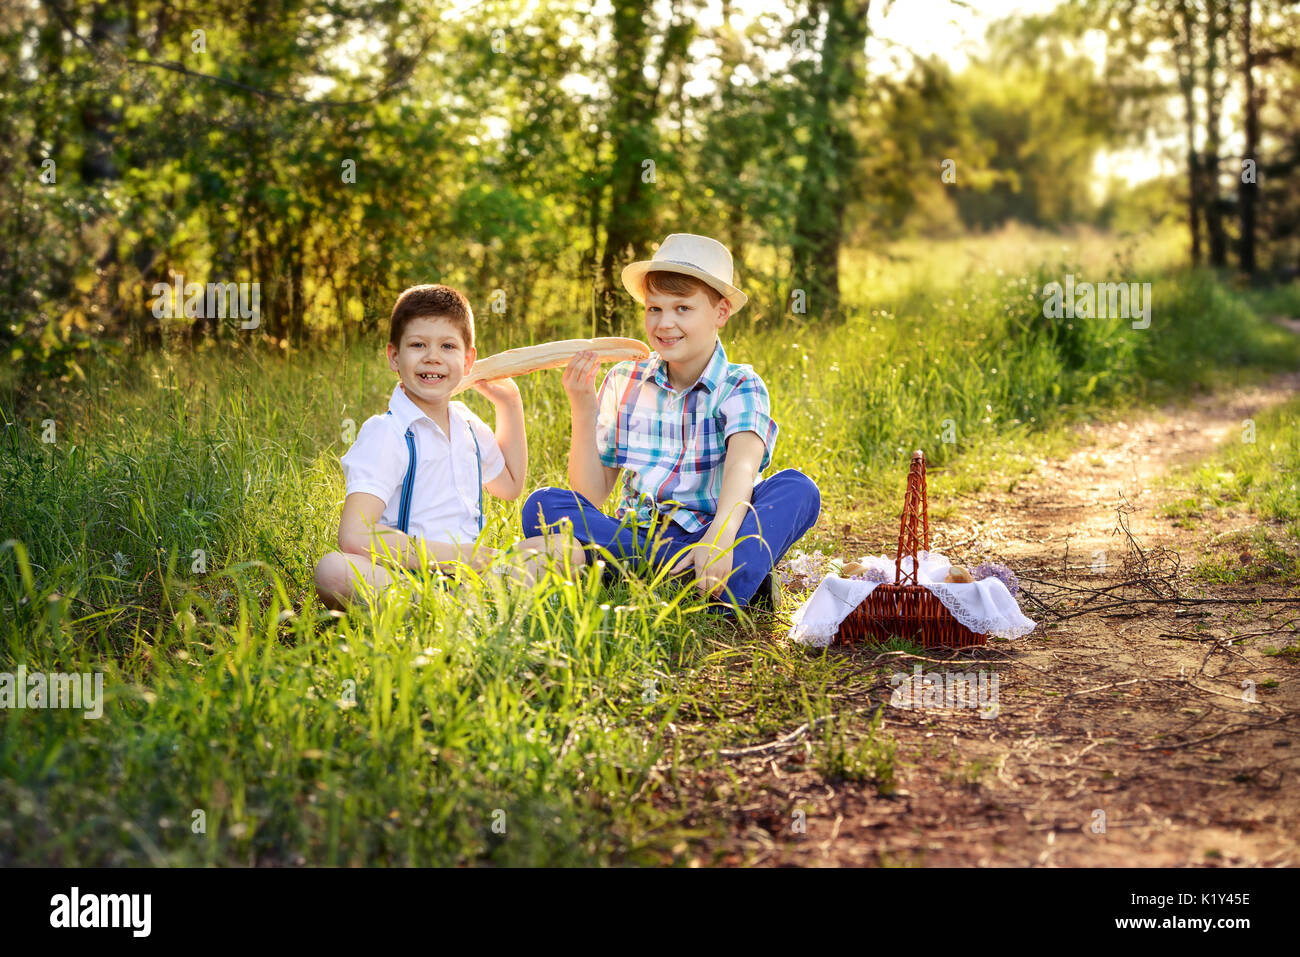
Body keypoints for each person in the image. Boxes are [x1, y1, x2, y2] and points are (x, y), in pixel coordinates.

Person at [517, 233, 821, 613]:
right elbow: (591, 495)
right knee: (543, 505)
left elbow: (742, 471)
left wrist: (717, 540)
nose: (664, 323)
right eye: (654, 308)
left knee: (798, 488)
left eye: (682, 308)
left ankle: (668, 575)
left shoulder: (741, 385)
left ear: (721, 313)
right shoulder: (624, 380)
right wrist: (583, 405)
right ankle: (710, 584)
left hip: (716, 527)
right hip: (637, 534)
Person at [313, 283, 530, 609]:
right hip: (403, 576)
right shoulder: (387, 433)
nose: (432, 357)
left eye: (447, 346)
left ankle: (465, 602)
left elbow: (511, 485)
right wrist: (457, 556)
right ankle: (443, 606)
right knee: (333, 570)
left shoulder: (468, 426)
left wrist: (510, 404)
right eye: (418, 345)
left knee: (564, 549)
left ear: (468, 360)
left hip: (473, 571)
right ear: (394, 357)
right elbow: (355, 536)